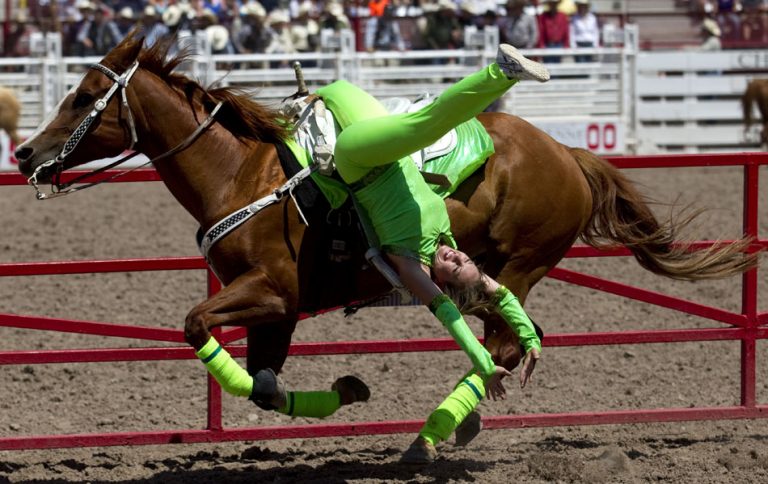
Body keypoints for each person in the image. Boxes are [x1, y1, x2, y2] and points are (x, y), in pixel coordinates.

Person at [192, 44, 546, 460]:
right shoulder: (446, 236)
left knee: (424, 125)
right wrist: (527, 334)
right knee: (413, 123)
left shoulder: (410, 267)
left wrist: (483, 363)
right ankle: (498, 75)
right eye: (466, 260)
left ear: (442, 282)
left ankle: (500, 73)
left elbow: (453, 320)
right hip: (351, 106)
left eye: (455, 269)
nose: (459, 259)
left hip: (362, 159)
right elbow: (499, 292)